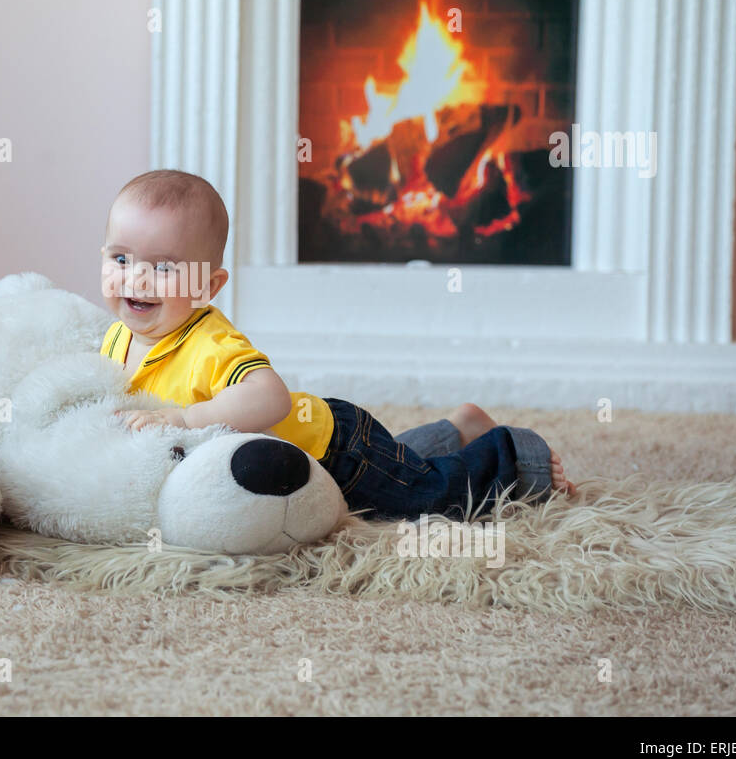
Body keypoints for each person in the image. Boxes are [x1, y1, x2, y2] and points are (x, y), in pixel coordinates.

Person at [99, 169, 574, 521]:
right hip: (326, 439)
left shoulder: (208, 342)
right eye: (121, 257)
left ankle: (514, 453)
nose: (135, 277)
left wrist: (183, 418)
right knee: (400, 463)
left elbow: (269, 397)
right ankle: (457, 427)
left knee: (425, 496)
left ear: (208, 286)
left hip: (334, 451)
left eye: (163, 267)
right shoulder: (118, 338)